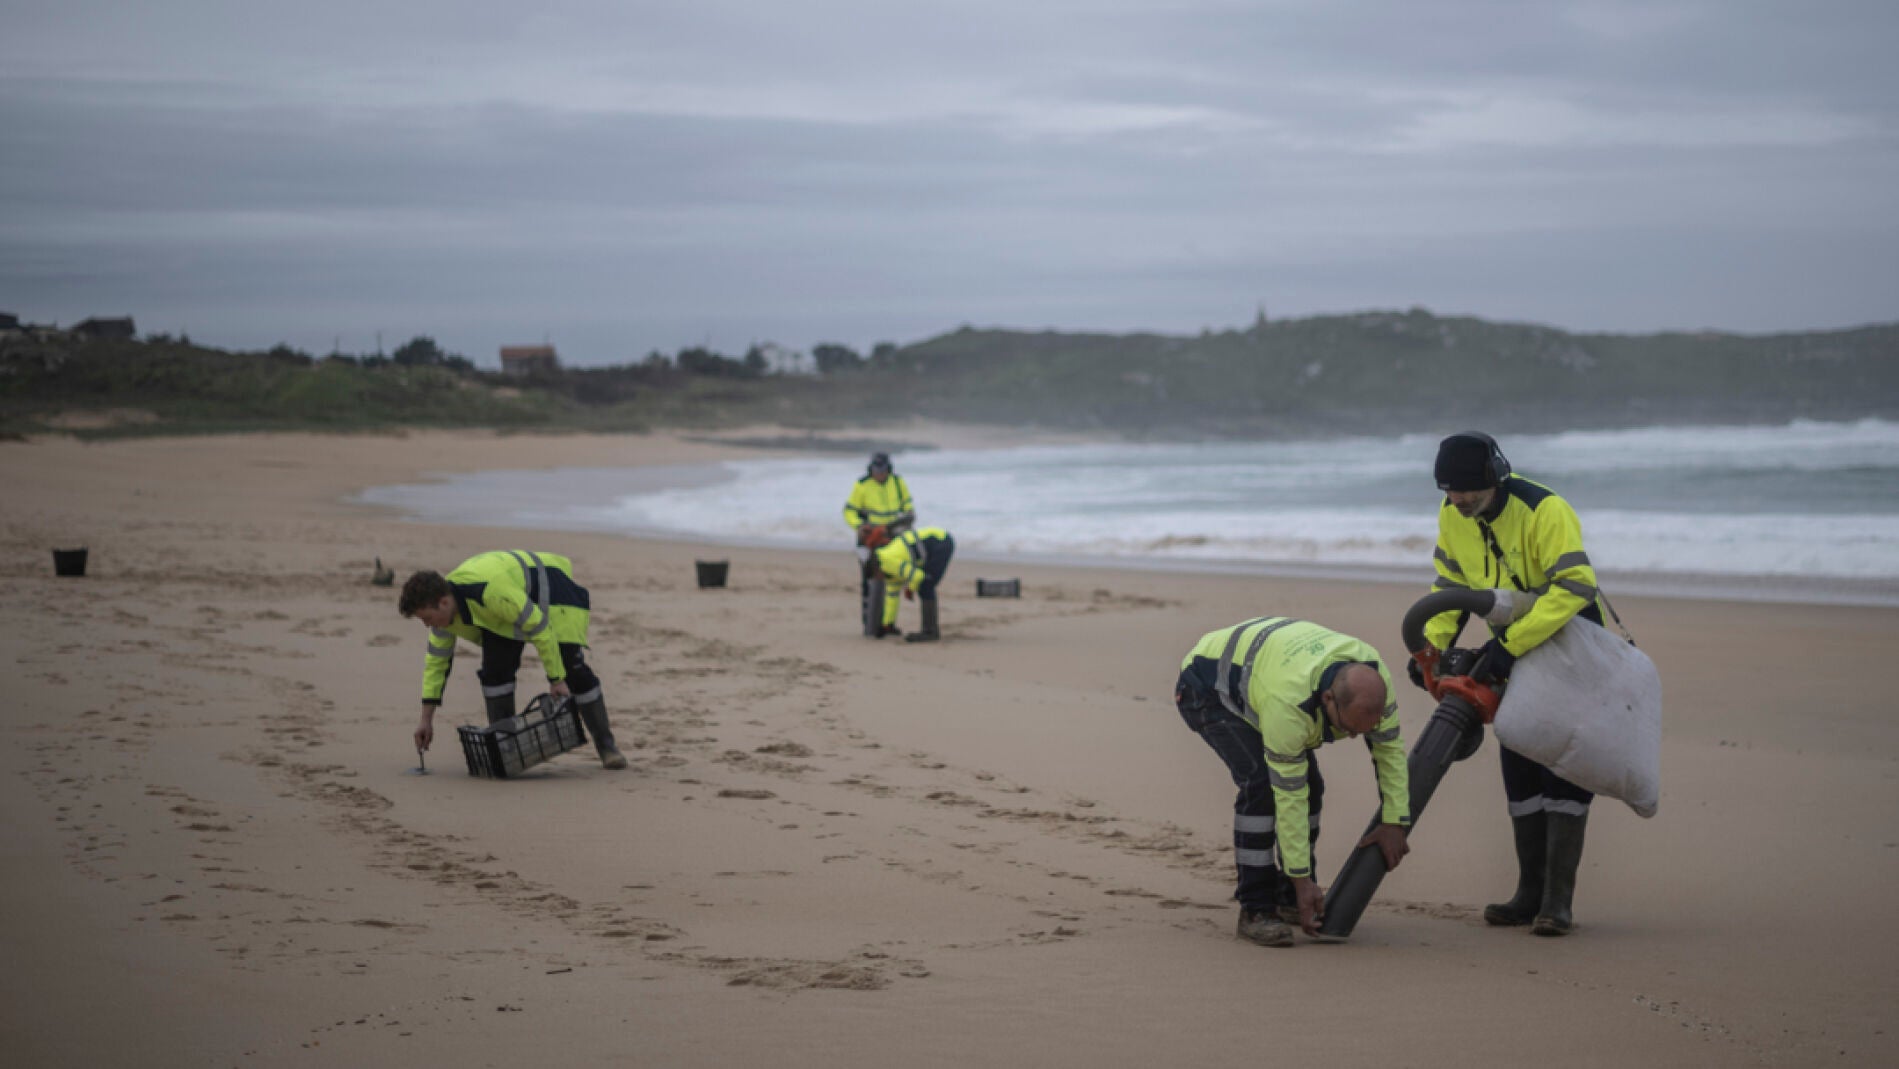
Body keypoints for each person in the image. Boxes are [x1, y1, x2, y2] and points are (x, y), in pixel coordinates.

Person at [1414, 431, 1606, 936]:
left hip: (1570, 642)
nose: (1456, 501)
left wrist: (1508, 646)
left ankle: (1557, 903)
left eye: (1466, 492)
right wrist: (1431, 648)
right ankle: (1526, 894)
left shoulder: (1545, 510)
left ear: (1496, 477)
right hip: (1514, 644)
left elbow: (1575, 588)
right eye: (1448, 492)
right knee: (1518, 753)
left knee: (1561, 762)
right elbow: (1450, 586)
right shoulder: (1454, 513)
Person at [1174, 616, 1411, 947]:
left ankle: (1287, 898)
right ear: (1328, 699)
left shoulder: (1374, 685)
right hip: (1207, 687)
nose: (1356, 736)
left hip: (1269, 670)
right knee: (1261, 786)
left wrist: (1395, 820)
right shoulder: (1288, 705)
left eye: (1365, 729)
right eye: (1350, 728)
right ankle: (1255, 910)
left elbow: (1390, 753)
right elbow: (1289, 795)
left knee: (1312, 787)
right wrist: (1304, 878)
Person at [398, 550, 626, 770]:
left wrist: (556, 679)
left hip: (553, 595)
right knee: (494, 673)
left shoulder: (490, 592)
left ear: (443, 603)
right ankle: (506, 750)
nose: (427, 625)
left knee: (573, 672)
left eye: (427, 618)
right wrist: (426, 719)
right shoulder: (445, 617)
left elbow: (540, 629)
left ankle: (607, 747)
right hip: (504, 611)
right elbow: (436, 664)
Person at [843, 452, 916, 597]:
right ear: (871, 469)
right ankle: (869, 609)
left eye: (882, 470)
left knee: (898, 565)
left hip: (893, 532)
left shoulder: (897, 482)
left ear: (888, 469)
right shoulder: (862, 485)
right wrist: (858, 526)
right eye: (876, 470)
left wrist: (909, 512)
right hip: (871, 534)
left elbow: (907, 503)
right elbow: (849, 511)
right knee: (868, 573)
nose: (879, 474)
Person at [865, 525, 954, 642]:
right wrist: (886, 625)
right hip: (935, 542)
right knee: (925, 583)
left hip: (940, 542)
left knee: (926, 584)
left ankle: (930, 632)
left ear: (876, 569)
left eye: (876, 577)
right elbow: (892, 597)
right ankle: (928, 630)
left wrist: (910, 589)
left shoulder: (888, 561)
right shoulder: (887, 570)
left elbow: (917, 576)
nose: (878, 580)